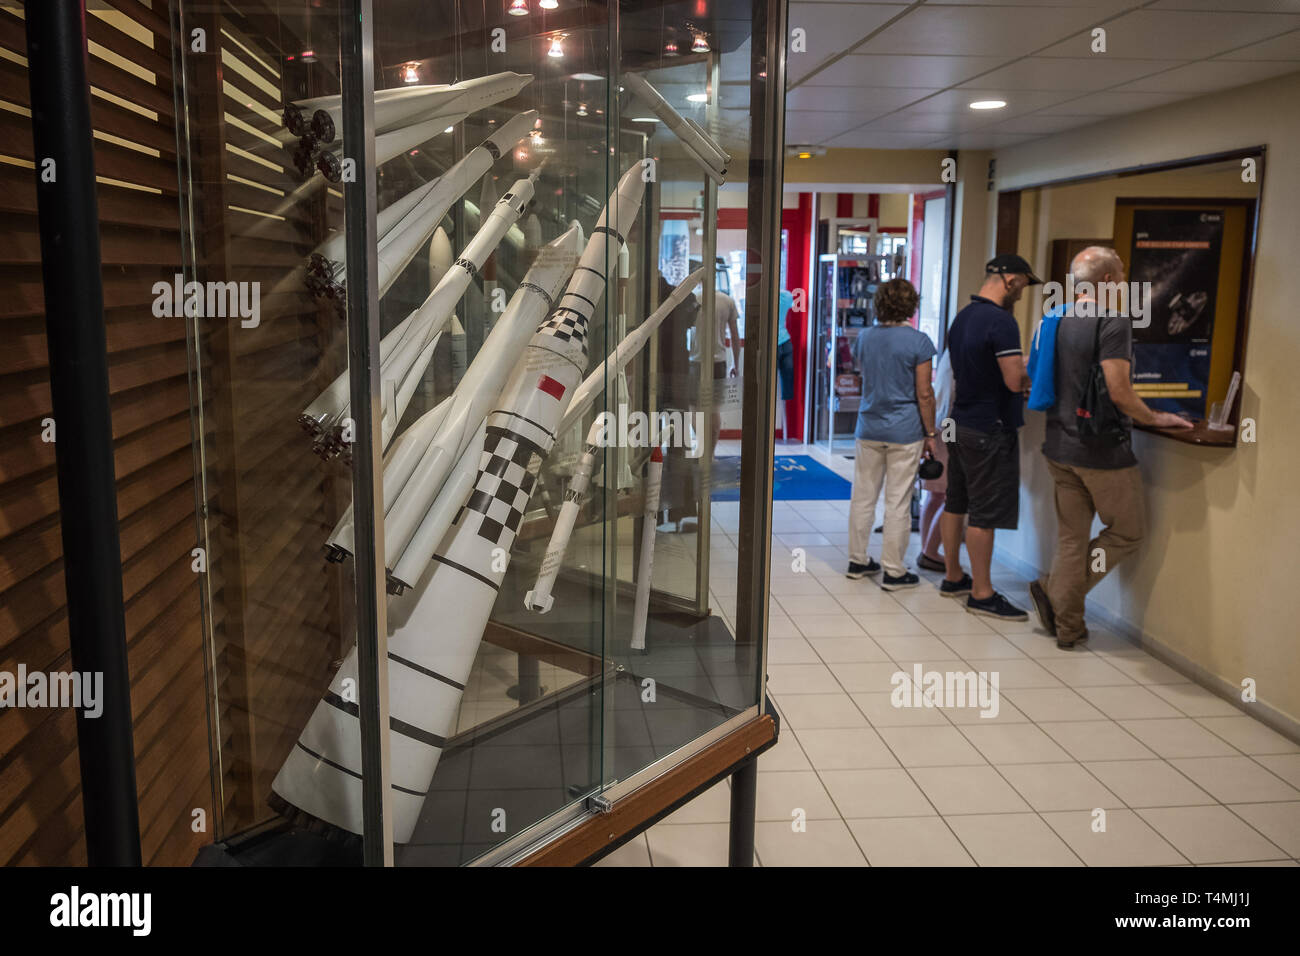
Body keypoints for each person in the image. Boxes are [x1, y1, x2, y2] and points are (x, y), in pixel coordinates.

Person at [1028, 246, 1192, 648]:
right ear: (1105, 281)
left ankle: (1067, 622)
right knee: (1128, 532)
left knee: (1071, 538)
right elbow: (1119, 391)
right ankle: (1057, 596)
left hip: (1058, 446)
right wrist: (1155, 418)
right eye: (1120, 276)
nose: (1123, 283)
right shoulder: (1111, 320)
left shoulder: (1055, 316)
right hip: (1101, 452)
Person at [939, 253, 1039, 620]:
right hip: (989, 428)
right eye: (1024, 284)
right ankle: (981, 592)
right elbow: (1013, 380)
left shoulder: (962, 317)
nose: (1023, 293)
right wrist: (1033, 375)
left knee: (956, 500)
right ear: (1009, 278)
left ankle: (953, 576)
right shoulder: (1001, 322)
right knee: (983, 513)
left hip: (960, 421)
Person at [846, 279, 937, 590]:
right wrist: (931, 432)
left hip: (868, 426)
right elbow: (924, 393)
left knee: (863, 496)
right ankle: (894, 571)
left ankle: (857, 560)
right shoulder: (919, 341)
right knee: (897, 502)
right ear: (911, 304)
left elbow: (866, 378)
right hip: (905, 430)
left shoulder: (864, 338)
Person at [917, 346, 953, 572]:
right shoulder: (965, 351)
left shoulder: (951, 352)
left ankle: (926, 550)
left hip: (941, 421)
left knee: (936, 493)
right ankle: (930, 551)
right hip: (951, 424)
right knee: (952, 494)